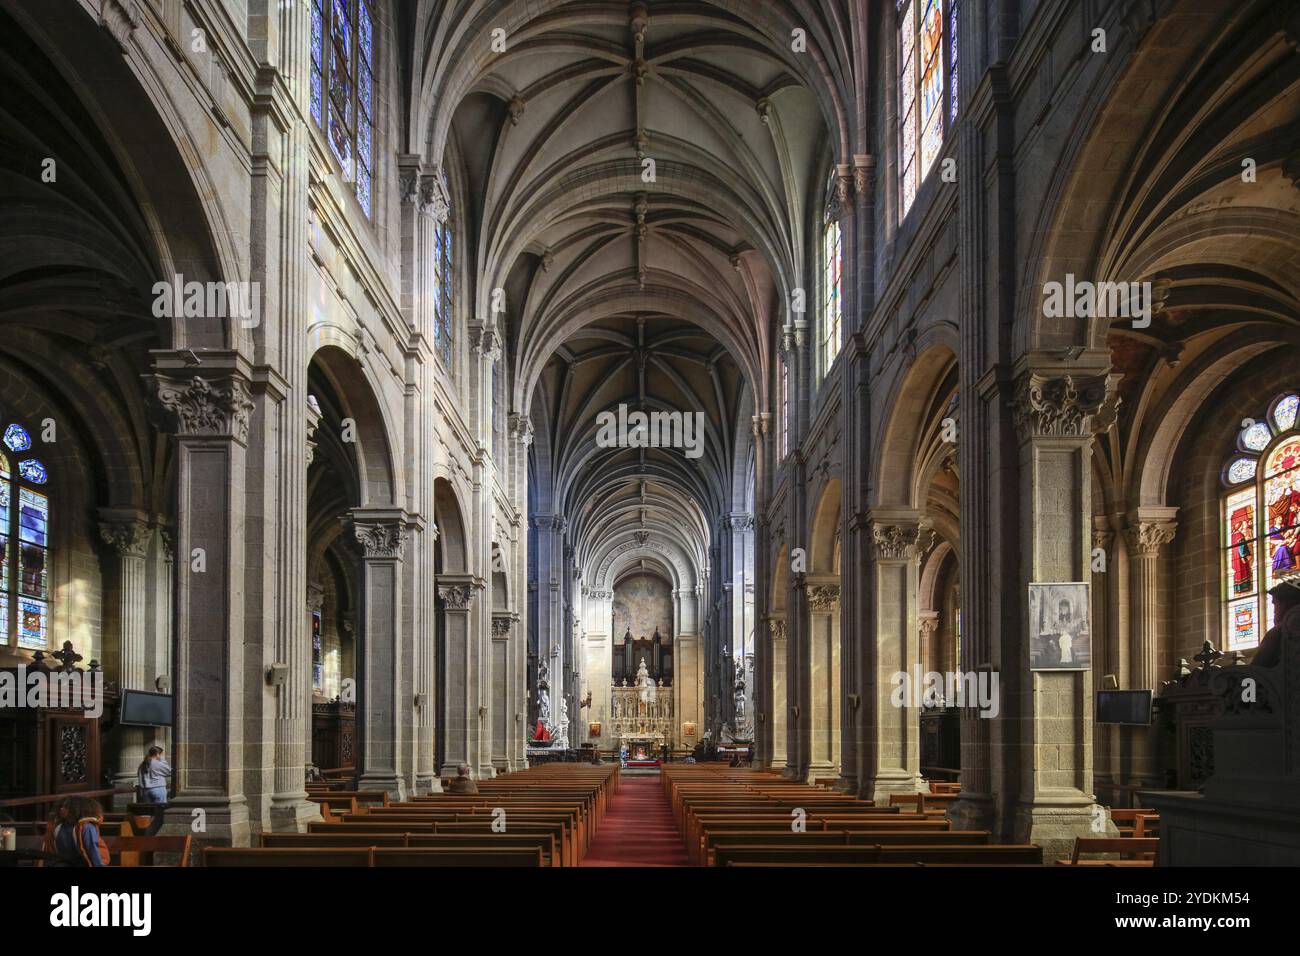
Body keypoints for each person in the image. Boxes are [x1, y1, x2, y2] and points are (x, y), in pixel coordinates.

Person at [44, 797, 109, 867]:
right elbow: (51, 849)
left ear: (74, 809)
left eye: (66, 807)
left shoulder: (86, 827)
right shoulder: (58, 827)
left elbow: (92, 849)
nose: (61, 809)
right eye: (61, 806)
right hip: (66, 862)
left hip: (85, 862)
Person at [1253, 580, 1300, 667]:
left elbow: (1256, 669)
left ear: (1285, 603)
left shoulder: (1279, 631)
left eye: (1275, 604)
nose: (1274, 611)